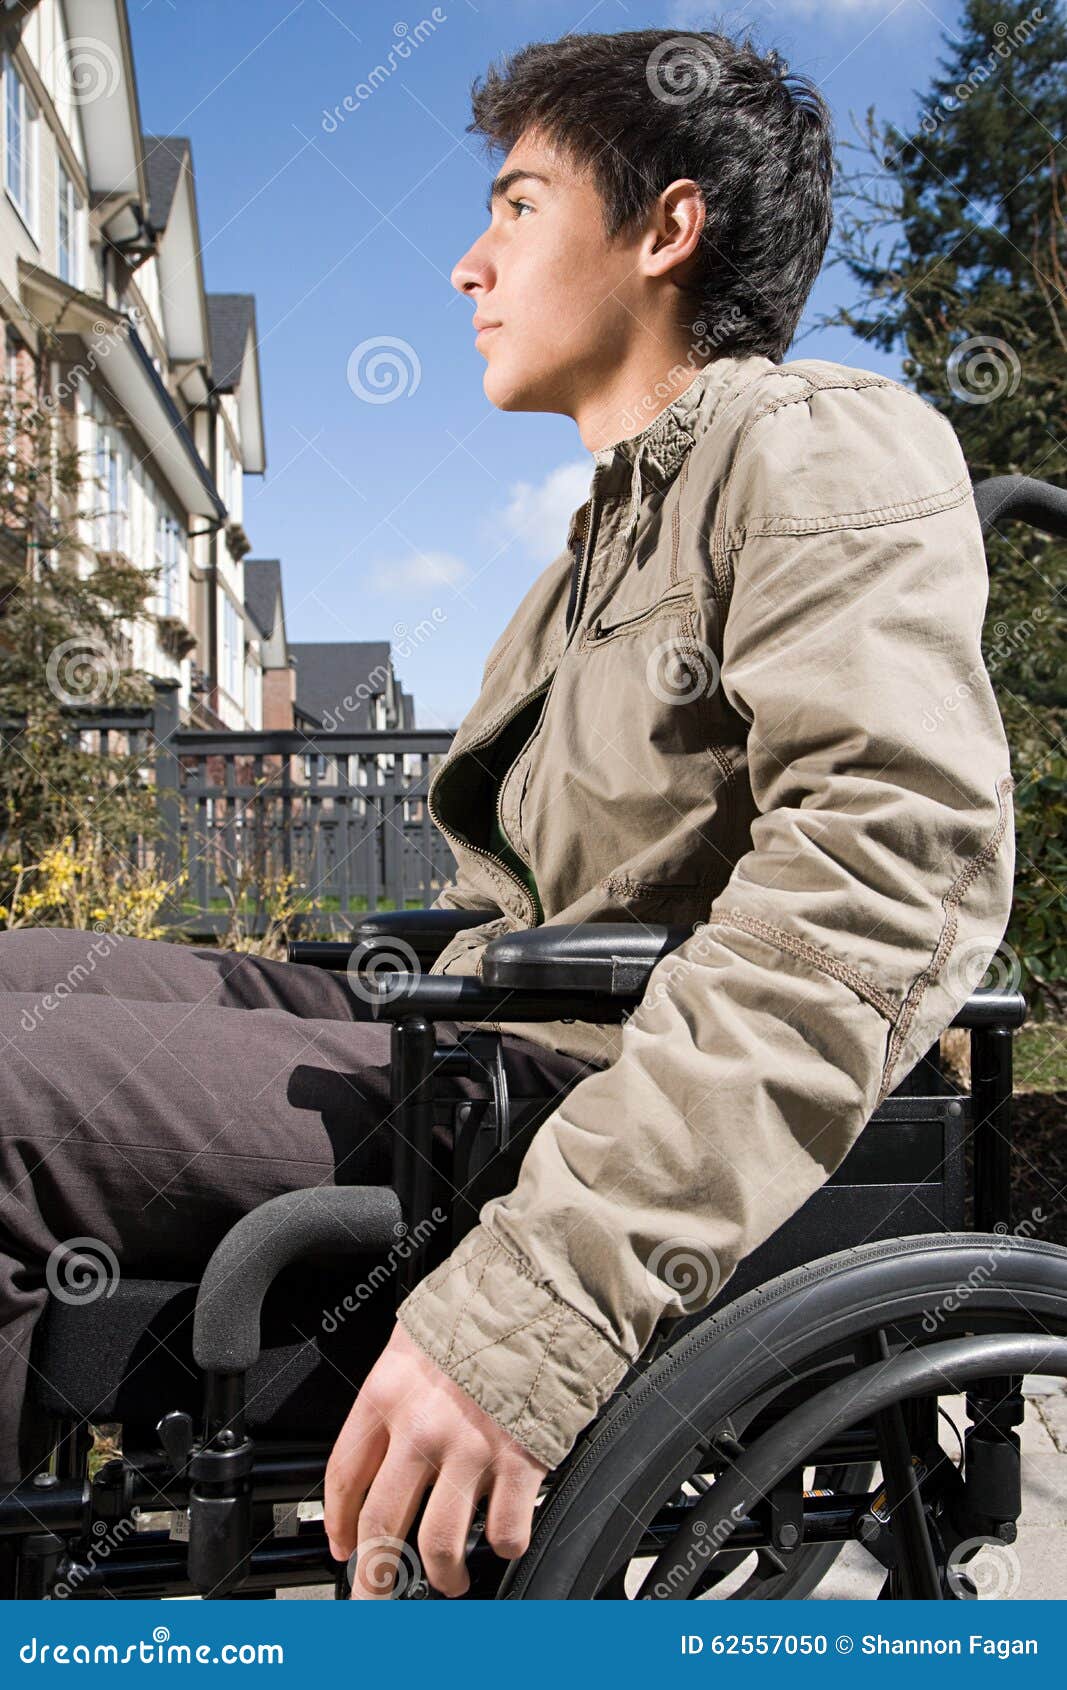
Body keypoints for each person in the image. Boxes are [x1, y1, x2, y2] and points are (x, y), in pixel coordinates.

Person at [0, 27, 1014, 1602]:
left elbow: (885, 882)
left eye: (519, 207)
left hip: (590, 1098)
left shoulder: (815, 444)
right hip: (488, 1022)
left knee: (14, 1073)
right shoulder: (582, 564)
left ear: (666, 229)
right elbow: (526, 904)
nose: (469, 264)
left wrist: (534, 1305)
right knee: (20, 968)